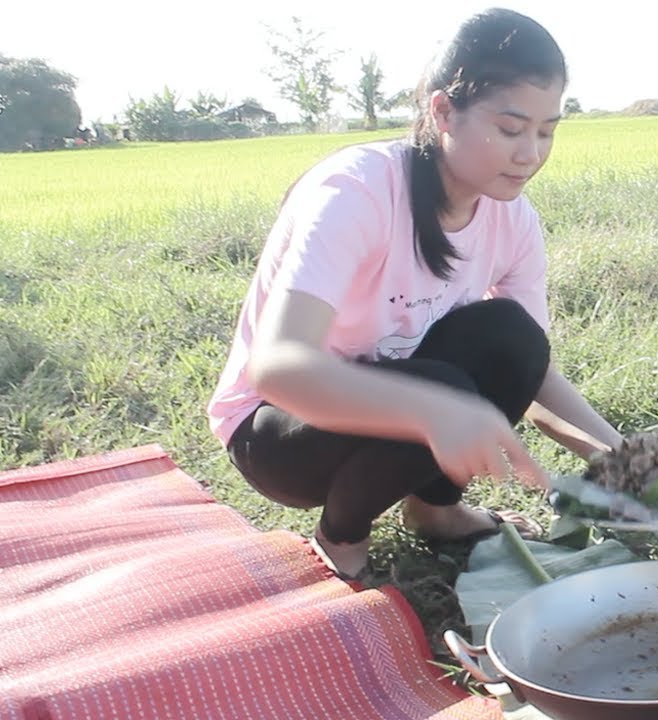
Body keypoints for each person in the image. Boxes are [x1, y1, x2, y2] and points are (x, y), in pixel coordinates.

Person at [206, 7, 622, 581]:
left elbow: (531, 372)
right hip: (280, 433)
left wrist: (620, 459)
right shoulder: (356, 193)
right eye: (510, 128)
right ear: (443, 110)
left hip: (405, 395)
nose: (531, 153)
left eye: (547, 130)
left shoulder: (513, 220)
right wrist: (438, 409)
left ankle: (434, 510)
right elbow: (279, 368)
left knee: (510, 336)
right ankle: (341, 538)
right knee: (442, 389)